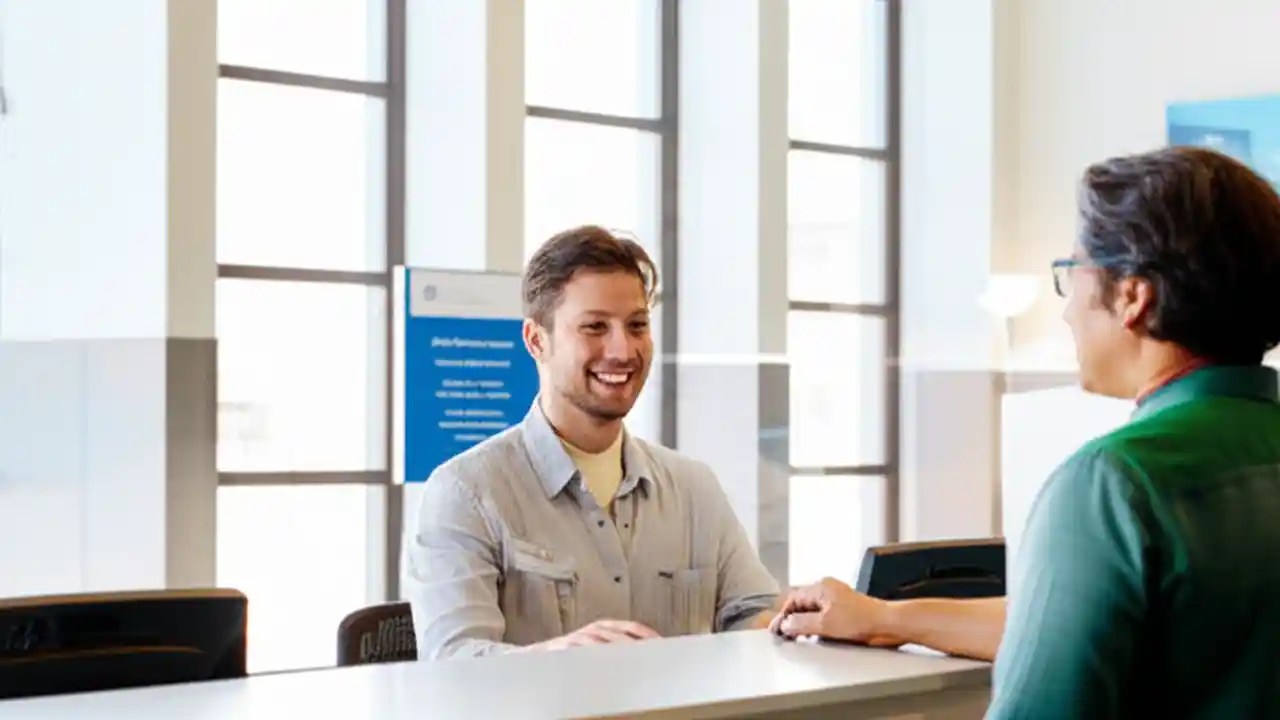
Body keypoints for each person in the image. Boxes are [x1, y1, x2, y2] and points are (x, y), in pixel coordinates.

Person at [770, 146, 1280, 718]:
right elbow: (1068, 623)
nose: (1066, 313)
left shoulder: (1113, 485)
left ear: (1133, 296)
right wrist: (883, 618)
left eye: (1073, 272)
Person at [406, 225, 779, 660]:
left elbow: (754, 615)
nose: (622, 350)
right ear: (535, 341)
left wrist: (803, 622)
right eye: (595, 327)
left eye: (636, 325)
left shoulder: (694, 488)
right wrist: (566, 658)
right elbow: (453, 662)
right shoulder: (466, 493)